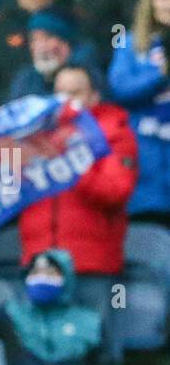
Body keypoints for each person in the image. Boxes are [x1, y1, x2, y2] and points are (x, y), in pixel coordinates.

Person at [19, 64, 137, 320]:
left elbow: (116, 191)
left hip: (91, 266)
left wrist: (70, 160)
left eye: (75, 94)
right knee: (38, 350)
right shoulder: (35, 135)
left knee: (97, 350)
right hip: (40, 263)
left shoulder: (116, 134)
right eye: (60, 93)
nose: (66, 102)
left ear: (94, 97)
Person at [107, 0, 170, 225]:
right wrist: (161, 75)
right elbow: (119, 87)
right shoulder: (129, 42)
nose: (167, 5)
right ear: (151, 1)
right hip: (145, 164)